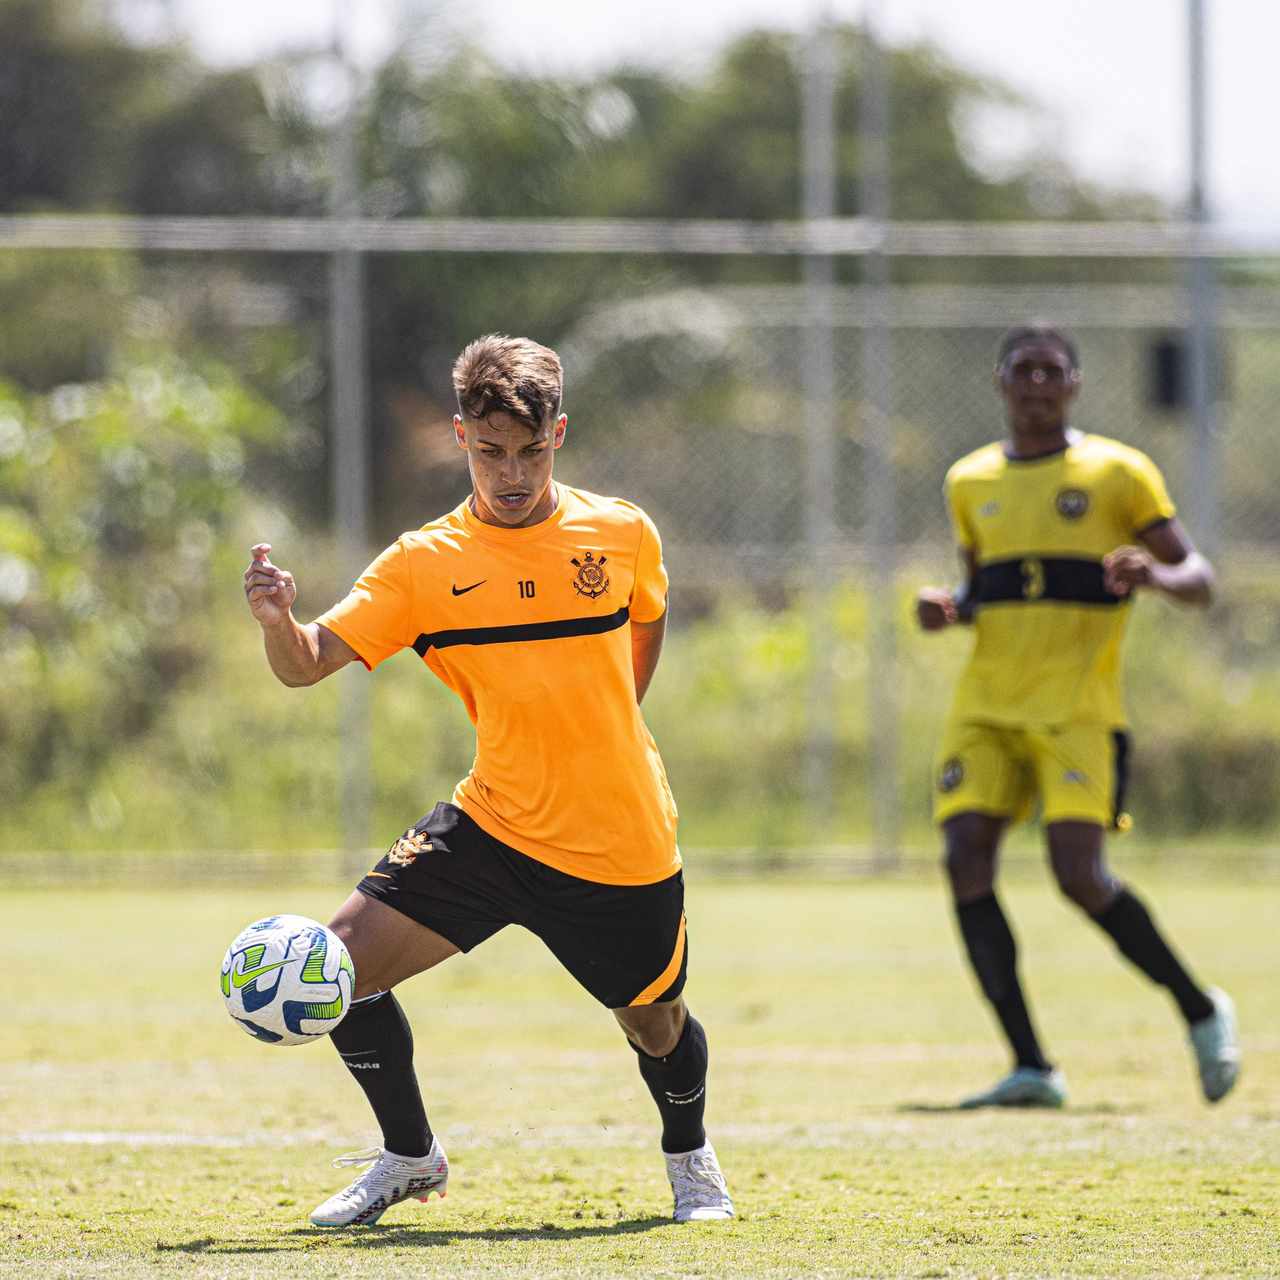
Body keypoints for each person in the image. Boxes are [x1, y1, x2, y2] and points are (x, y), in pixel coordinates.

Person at [243, 334, 734, 1226]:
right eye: (491, 450)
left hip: (617, 837)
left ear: (560, 435)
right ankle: (408, 1156)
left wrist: (597, 738)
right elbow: (306, 663)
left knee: (655, 1026)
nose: (512, 473)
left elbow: (640, 647)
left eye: (532, 451)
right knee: (335, 968)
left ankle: (691, 1160)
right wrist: (279, 619)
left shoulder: (622, 534)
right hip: (494, 821)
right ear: (460, 435)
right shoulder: (422, 564)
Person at [916, 323, 1240, 1110]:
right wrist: (950, 608)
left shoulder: (1117, 472)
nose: (1036, 383)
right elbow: (990, 588)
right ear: (1000, 383)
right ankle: (1033, 1066)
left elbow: (1199, 577)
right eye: (1022, 370)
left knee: (1078, 876)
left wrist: (1157, 574)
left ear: (1074, 384)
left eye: (1051, 371)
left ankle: (1200, 1009)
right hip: (987, 706)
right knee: (964, 859)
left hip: (1076, 709)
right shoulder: (970, 480)